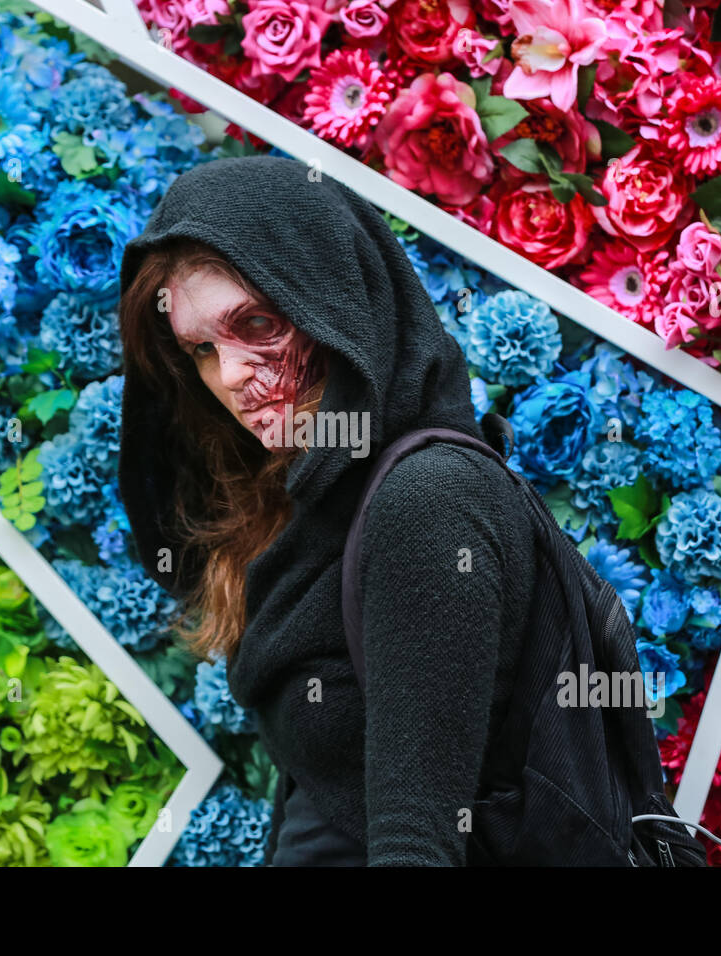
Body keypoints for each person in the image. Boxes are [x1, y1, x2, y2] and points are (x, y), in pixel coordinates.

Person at [117, 154, 534, 866]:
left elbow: (417, 847)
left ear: (332, 303)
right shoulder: (304, 505)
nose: (233, 374)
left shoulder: (426, 503)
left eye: (255, 323)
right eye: (201, 350)